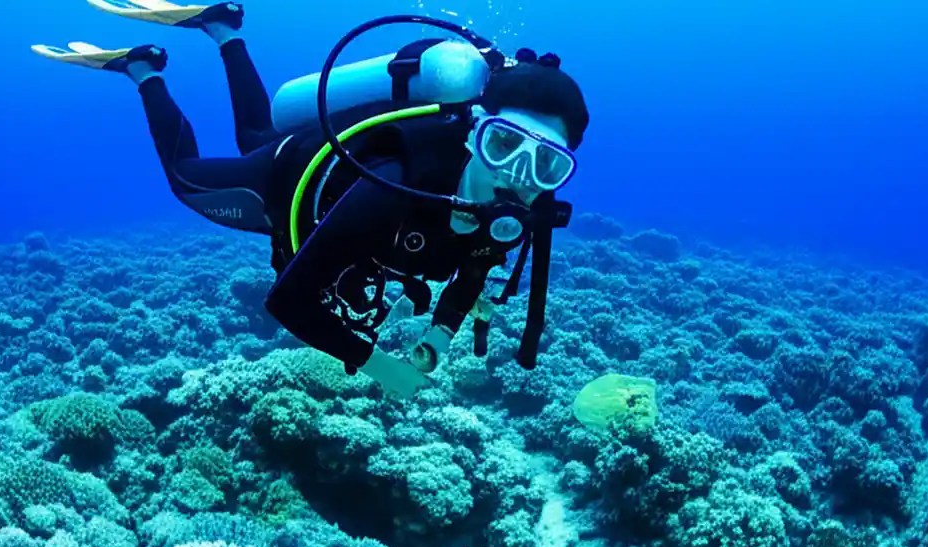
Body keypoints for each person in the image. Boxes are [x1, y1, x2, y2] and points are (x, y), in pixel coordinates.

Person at [34, 1, 589, 397]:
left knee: (254, 131)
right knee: (186, 180)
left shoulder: (517, 212)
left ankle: (226, 29)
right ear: (473, 132)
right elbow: (288, 301)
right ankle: (144, 71)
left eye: (546, 165)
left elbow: (473, 268)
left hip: (315, 145)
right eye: (503, 144)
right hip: (280, 182)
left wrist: (437, 339)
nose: (518, 176)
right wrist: (380, 367)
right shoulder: (391, 187)